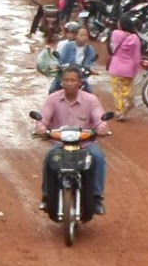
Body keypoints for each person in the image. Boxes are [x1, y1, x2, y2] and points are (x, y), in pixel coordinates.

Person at [38, 66, 110, 215]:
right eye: (66, 80)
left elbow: (100, 121)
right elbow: (42, 120)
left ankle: (97, 197)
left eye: (73, 80)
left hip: (85, 144)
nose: (69, 83)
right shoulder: (53, 99)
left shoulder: (91, 100)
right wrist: (41, 129)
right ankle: (46, 196)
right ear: (61, 82)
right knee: (49, 159)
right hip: (60, 144)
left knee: (98, 157)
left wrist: (101, 128)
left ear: (80, 83)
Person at [106, 20, 144, 119]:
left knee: (117, 91)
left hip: (115, 66)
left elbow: (111, 47)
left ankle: (120, 111)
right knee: (126, 89)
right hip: (129, 68)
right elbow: (137, 57)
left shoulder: (115, 34)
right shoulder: (135, 38)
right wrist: (135, 69)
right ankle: (129, 103)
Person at [49, 22, 97, 91]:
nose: (83, 38)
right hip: (66, 74)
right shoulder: (68, 46)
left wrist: (92, 69)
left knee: (89, 92)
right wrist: (56, 65)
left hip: (81, 77)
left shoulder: (90, 49)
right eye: (81, 35)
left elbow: (92, 63)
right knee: (53, 89)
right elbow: (60, 60)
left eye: (85, 35)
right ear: (76, 36)